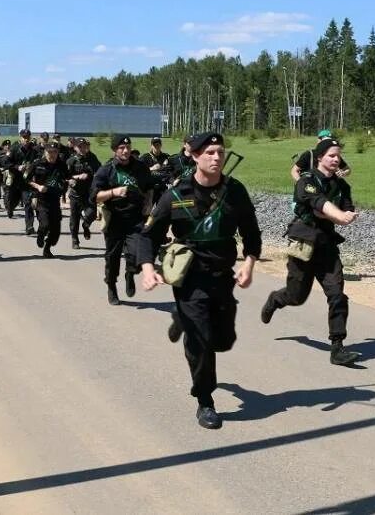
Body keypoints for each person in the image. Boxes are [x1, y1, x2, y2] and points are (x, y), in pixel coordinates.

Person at [136, 132, 262, 429]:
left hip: (223, 275)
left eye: (220, 152)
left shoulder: (235, 191)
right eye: (209, 153)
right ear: (193, 155)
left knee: (223, 340)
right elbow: (148, 235)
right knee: (201, 341)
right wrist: (146, 269)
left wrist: (250, 264)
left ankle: (180, 318)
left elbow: (251, 232)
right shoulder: (176, 193)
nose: (216, 157)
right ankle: (205, 400)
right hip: (190, 278)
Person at [261, 138, 361, 365]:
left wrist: (348, 215)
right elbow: (318, 205)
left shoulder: (342, 186)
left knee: (337, 295)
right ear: (320, 158)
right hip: (304, 242)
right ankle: (275, 300)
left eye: (338, 156)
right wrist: (339, 216)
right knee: (296, 296)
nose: (336, 160)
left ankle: (337, 347)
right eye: (331, 156)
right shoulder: (307, 181)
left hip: (327, 245)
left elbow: (347, 207)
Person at [90, 134, 155, 305]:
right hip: (115, 219)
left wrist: (148, 204)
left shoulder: (140, 167)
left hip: (135, 219)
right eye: (121, 148)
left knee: (136, 255)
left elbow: (149, 187)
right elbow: (95, 196)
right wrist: (113, 192)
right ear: (114, 150)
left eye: (127, 147)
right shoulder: (106, 170)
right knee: (112, 258)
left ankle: (130, 273)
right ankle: (111, 286)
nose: (125, 151)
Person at [27, 140, 70, 257]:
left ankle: (47, 248)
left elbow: (67, 178)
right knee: (45, 224)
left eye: (55, 152)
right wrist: (37, 187)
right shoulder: (37, 164)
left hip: (55, 199)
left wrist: (69, 183)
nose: (52, 154)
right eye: (49, 152)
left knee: (56, 231)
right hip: (41, 199)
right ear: (45, 152)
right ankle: (40, 235)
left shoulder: (62, 165)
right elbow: (27, 180)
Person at [66, 137, 101, 249]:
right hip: (76, 194)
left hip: (89, 193)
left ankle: (86, 225)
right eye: (80, 146)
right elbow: (65, 176)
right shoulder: (71, 160)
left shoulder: (92, 158)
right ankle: (75, 239)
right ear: (75, 147)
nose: (82, 148)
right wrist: (75, 177)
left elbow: (100, 171)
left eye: (84, 146)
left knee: (92, 214)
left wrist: (91, 176)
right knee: (74, 218)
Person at [10, 129, 41, 231]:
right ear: (20, 138)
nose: (26, 139)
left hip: (28, 181)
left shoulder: (35, 150)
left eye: (28, 137)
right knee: (12, 201)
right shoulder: (14, 149)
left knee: (28, 203)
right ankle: (10, 208)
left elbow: (40, 161)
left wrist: (32, 166)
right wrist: (17, 167)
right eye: (24, 137)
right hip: (16, 181)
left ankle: (29, 226)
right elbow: (5, 162)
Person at [140, 136, 170, 201]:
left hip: (163, 186)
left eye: (158, 144)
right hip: (150, 188)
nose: (157, 146)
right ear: (151, 146)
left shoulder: (166, 156)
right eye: (154, 144)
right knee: (148, 208)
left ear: (161, 145)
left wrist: (164, 165)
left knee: (163, 209)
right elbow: (139, 171)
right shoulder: (145, 157)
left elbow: (171, 170)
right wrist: (151, 168)